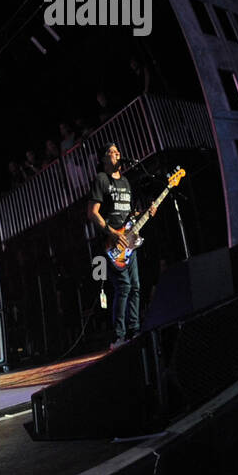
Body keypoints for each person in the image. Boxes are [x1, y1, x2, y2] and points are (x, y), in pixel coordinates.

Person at [87, 144, 157, 348]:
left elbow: (129, 215)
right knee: (123, 287)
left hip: (129, 242)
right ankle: (118, 336)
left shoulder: (126, 181)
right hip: (112, 242)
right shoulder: (101, 180)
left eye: (118, 151)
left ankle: (134, 331)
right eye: (113, 152)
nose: (118, 154)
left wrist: (146, 212)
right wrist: (112, 234)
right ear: (104, 159)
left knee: (135, 286)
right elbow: (92, 212)